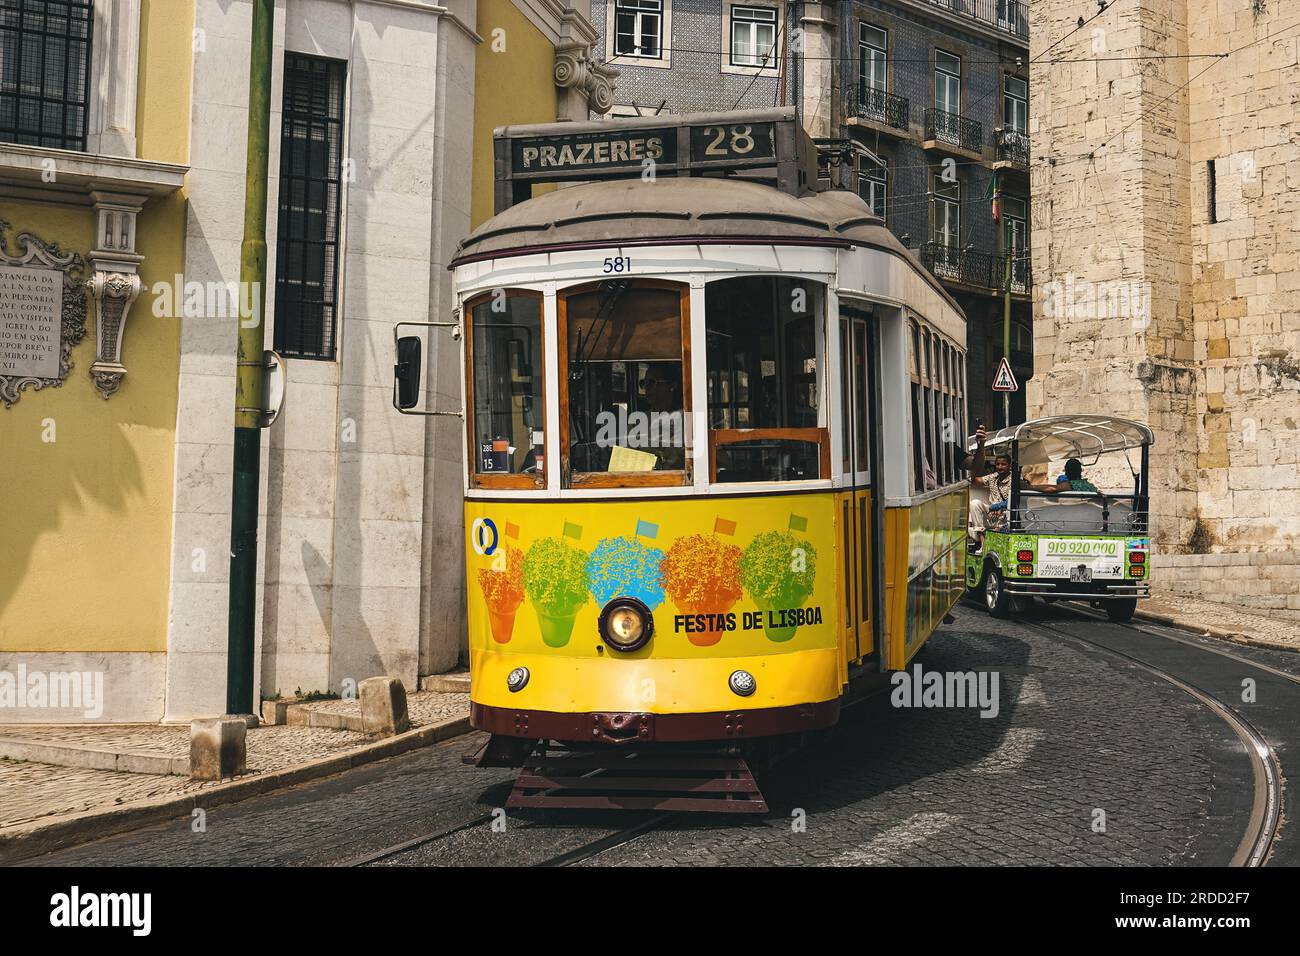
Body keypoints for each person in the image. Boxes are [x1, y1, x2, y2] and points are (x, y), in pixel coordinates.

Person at [969, 450, 1013, 550]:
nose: (1000, 467)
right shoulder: (993, 477)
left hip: (1006, 515)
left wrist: (996, 507)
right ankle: (982, 542)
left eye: (1003, 464)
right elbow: (974, 481)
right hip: (992, 515)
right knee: (975, 503)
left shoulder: (1014, 479)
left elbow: (1013, 499)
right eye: (998, 464)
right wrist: (974, 467)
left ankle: (989, 541)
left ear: (1009, 466)